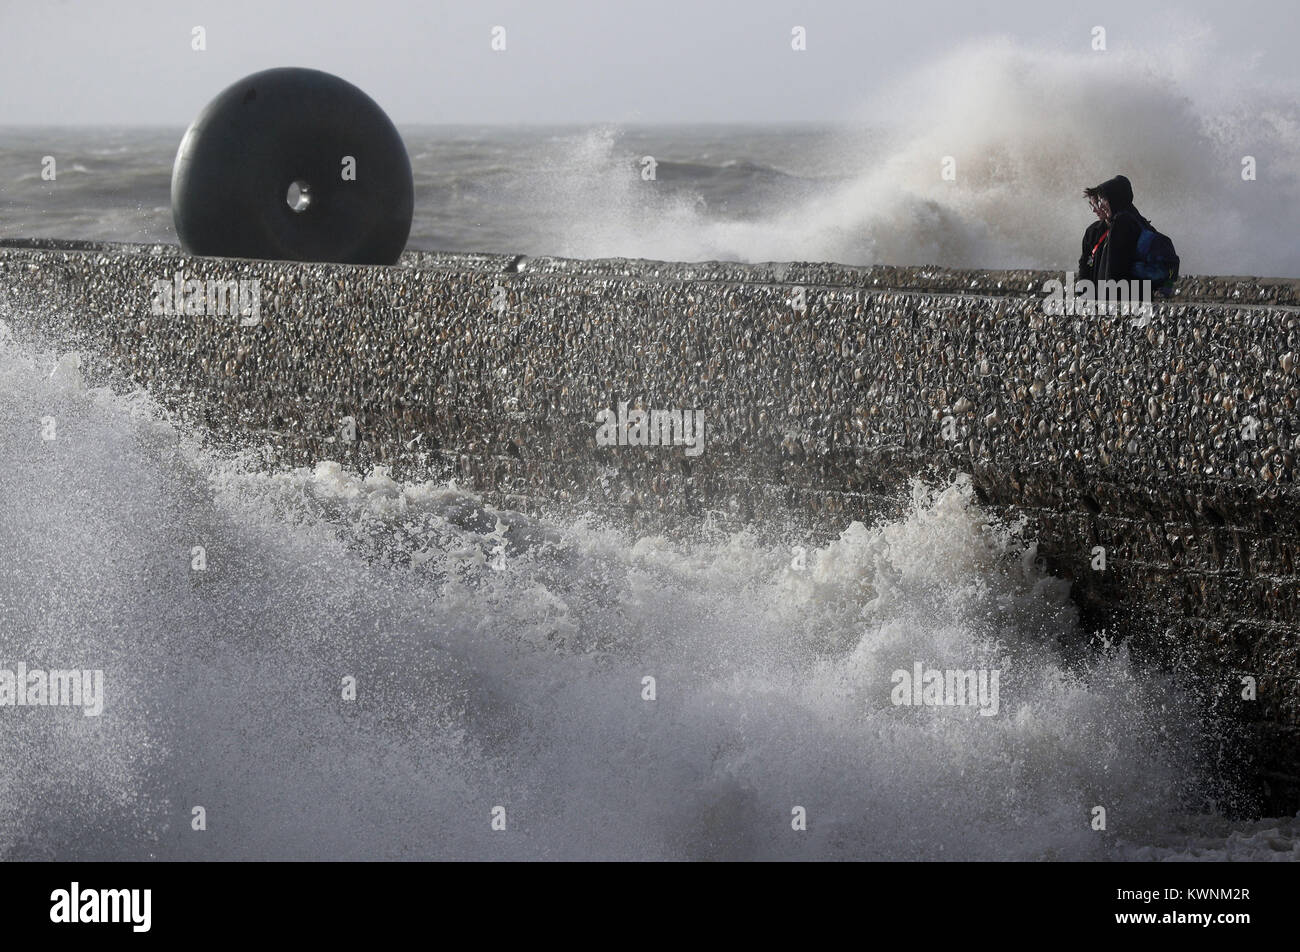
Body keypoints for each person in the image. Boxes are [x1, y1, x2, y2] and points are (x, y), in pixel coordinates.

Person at [1078, 174, 1146, 282]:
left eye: (1097, 203)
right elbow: (1084, 264)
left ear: (1113, 200)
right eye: (1092, 205)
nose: (1096, 209)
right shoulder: (1092, 232)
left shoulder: (1130, 226)